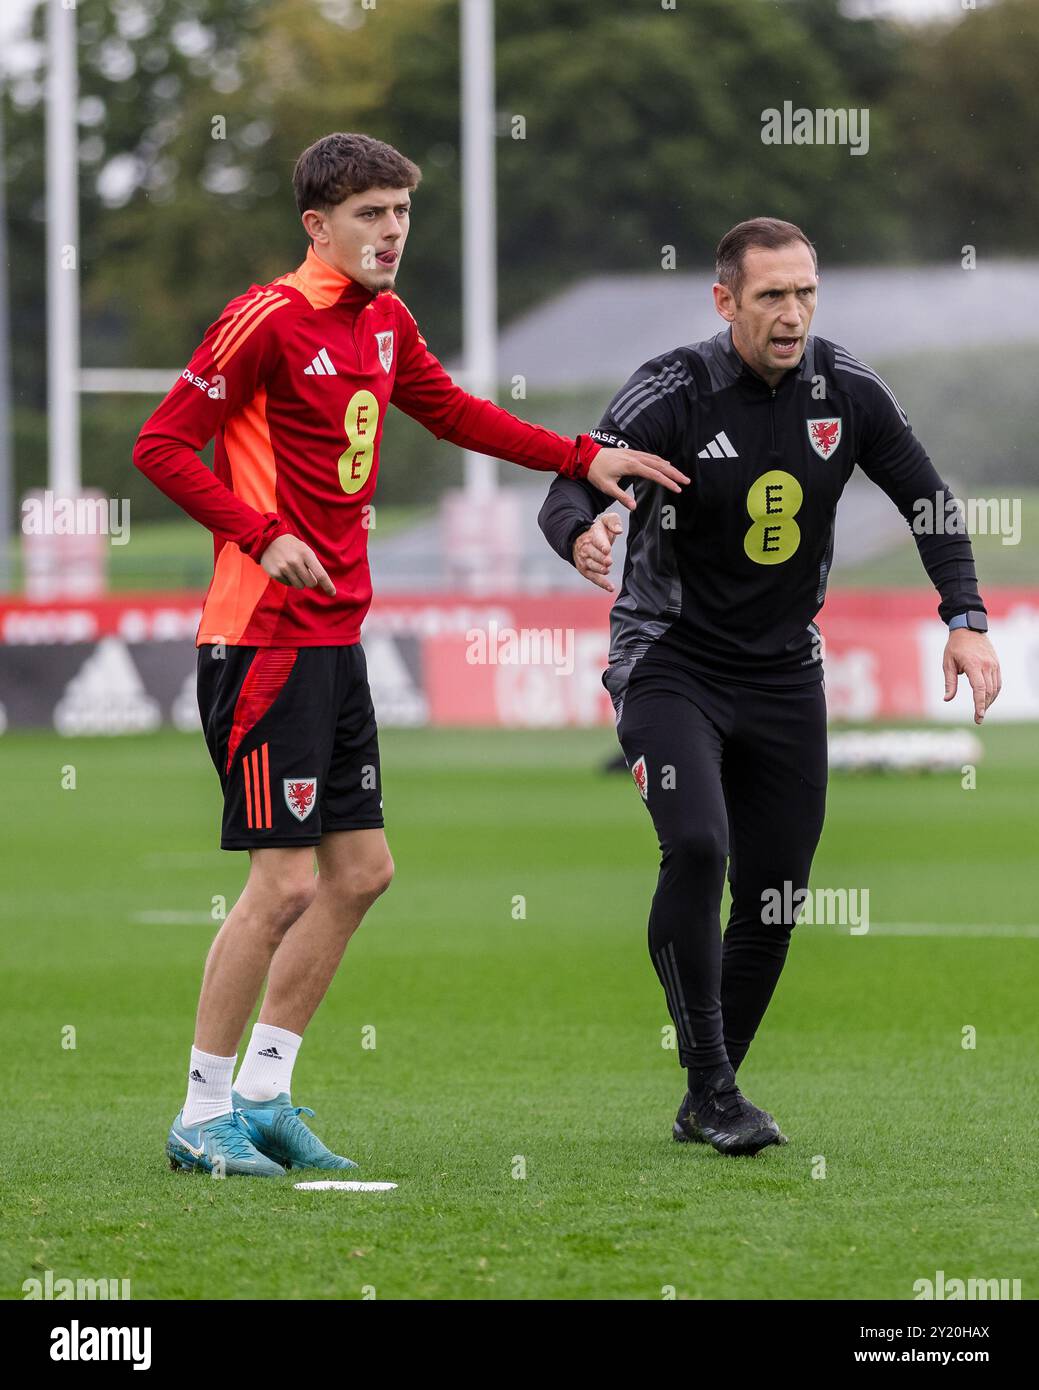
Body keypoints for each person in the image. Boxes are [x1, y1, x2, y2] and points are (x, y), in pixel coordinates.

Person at [133, 132, 686, 1177]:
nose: (392, 232)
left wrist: (582, 455)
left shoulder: (384, 323)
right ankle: (199, 1114)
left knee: (362, 873)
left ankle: (263, 1096)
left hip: (335, 638)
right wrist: (261, 531)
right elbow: (159, 444)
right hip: (259, 638)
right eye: (370, 215)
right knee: (284, 883)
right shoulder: (266, 319)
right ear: (317, 224)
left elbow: (452, 411)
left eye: (400, 213)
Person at [538, 217, 1001, 1156]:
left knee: (777, 896)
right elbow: (571, 482)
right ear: (725, 302)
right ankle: (711, 1088)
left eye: (805, 294)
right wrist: (579, 531)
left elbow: (927, 499)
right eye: (770, 297)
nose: (792, 315)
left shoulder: (847, 387)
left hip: (785, 669)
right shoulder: (672, 390)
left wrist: (964, 617)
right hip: (668, 661)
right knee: (700, 846)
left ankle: (712, 1090)